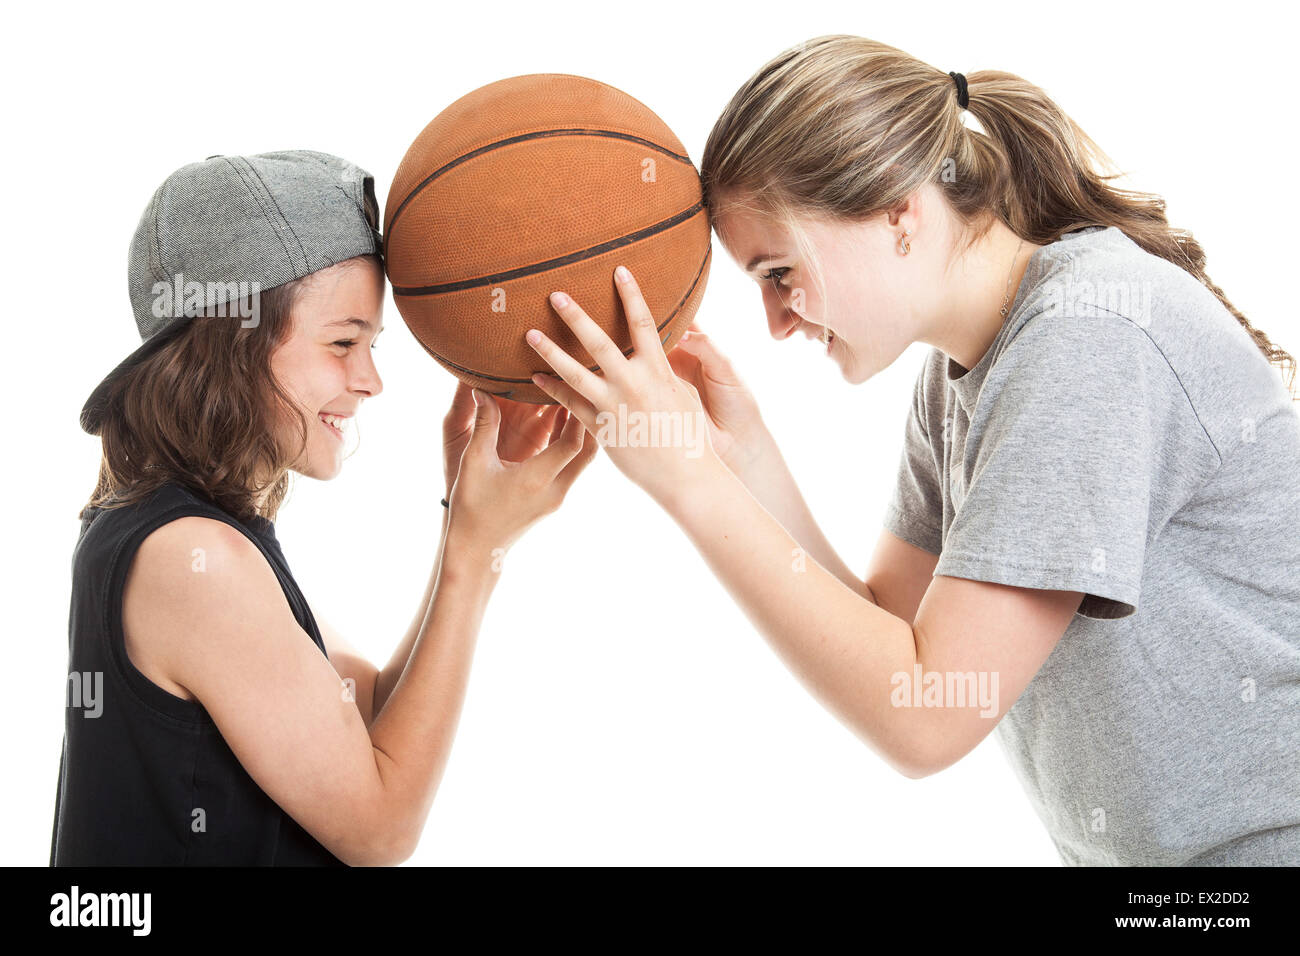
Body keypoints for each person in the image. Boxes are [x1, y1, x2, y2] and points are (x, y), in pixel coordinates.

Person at [523, 36, 1300, 865]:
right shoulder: (963, 370)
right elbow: (893, 633)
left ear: (901, 210)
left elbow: (924, 717)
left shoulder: (1087, 337)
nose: (777, 321)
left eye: (779, 272)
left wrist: (686, 485)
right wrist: (738, 461)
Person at [52, 150, 597, 866]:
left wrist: (468, 525)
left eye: (372, 345)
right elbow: (379, 830)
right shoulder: (194, 560)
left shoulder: (201, 535)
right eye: (343, 342)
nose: (371, 380)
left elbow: (363, 712)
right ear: (229, 346)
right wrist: (472, 548)